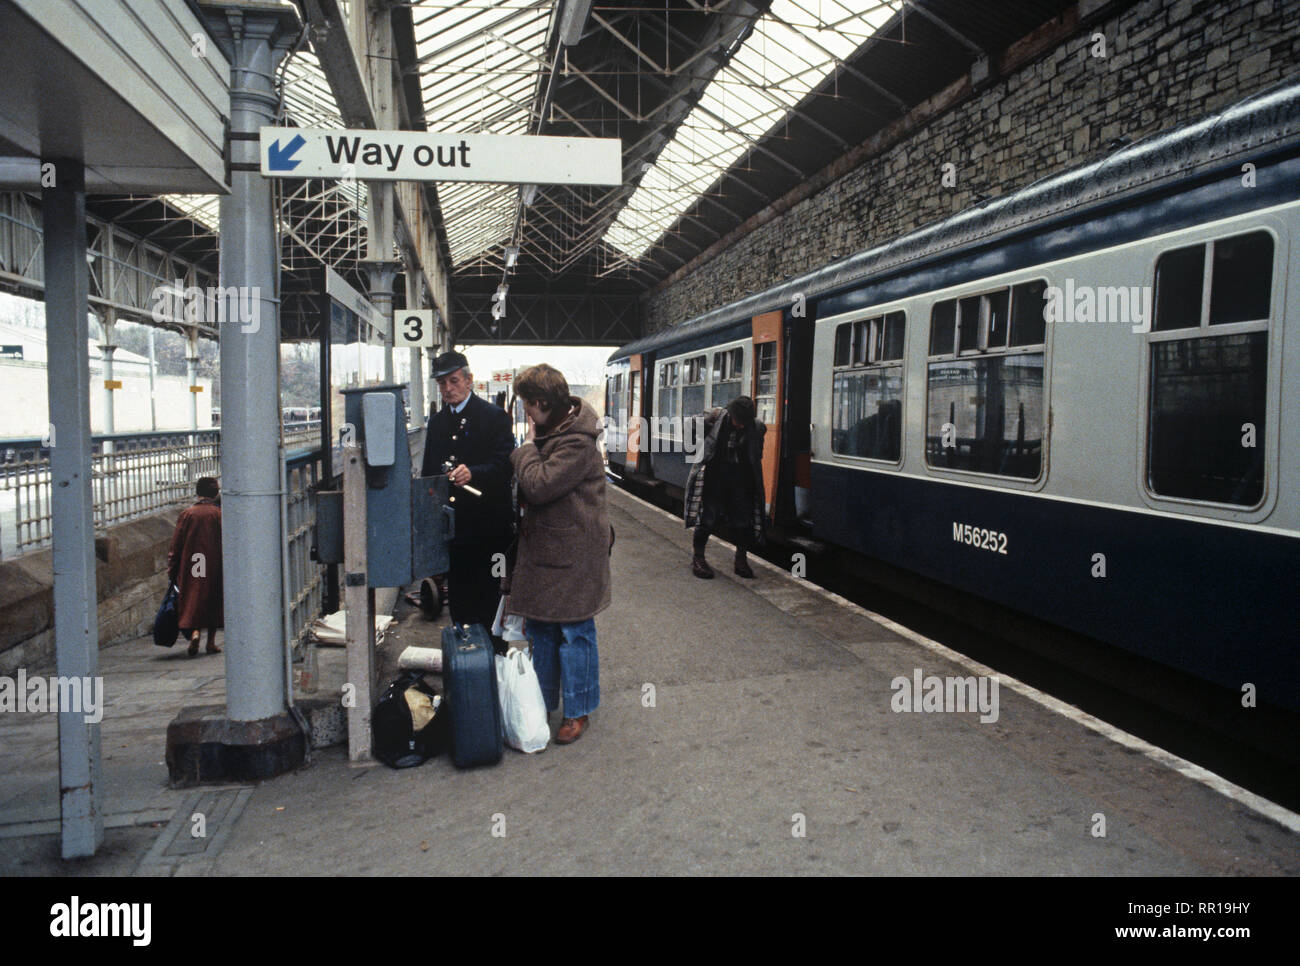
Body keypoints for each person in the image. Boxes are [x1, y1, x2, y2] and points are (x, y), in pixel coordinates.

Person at [508, 364, 610, 745]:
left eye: (527, 406)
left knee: (573, 630)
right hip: (550, 551)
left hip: (573, 555)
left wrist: (525, 448)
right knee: (542, 629)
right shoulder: (558, 430)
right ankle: (543, 701)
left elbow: (538, 484)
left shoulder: (576, 443)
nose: (526, 415)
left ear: (540, 403)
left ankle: (577, 710)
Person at [420, 350, 515, 645]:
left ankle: (494, 668)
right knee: (459, 600)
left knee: (490, 600)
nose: (448, 388)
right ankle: (466, 664)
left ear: (469, 380)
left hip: (488, 529)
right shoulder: (436, 424)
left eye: (454, 380)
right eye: (442, 383)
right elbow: (428, 475)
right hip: (454, 531)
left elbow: (505, 465)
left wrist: (473, 473)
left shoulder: (494, 418)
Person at [683, 396, 766, 579]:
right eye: (739, 421)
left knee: (743, 521)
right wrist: (693, 450)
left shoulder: (757, 427)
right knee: (708, 519)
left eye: (745, 422)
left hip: (740, 479)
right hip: (715, 477)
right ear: (731, 414)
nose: (742, 426)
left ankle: (740, 560)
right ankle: (698, 559)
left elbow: (756, 454)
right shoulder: (713, 417)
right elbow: (689, 424)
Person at [168, 477, 223, 656]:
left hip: (194, 563)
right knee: (214, 599)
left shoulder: (188, 514)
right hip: (214, 563)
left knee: (194, 596)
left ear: (198, 492)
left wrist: (172, 567)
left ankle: (195, 632)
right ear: (215, 494)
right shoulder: (219, 514)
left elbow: (176, 544)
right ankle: (211, 642)